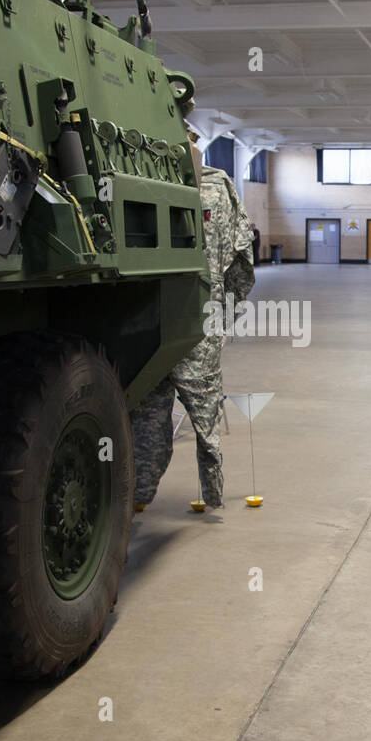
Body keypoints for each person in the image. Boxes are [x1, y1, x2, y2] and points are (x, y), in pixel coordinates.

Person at [131, 126, 254, 510]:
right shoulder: (219, 186)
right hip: (201, 319)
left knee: (146, 408)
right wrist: (226, 309)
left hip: (141, 319)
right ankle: (210, 492)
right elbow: (242, 262)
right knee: (204, 416)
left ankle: (137, 496)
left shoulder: (135, 178)